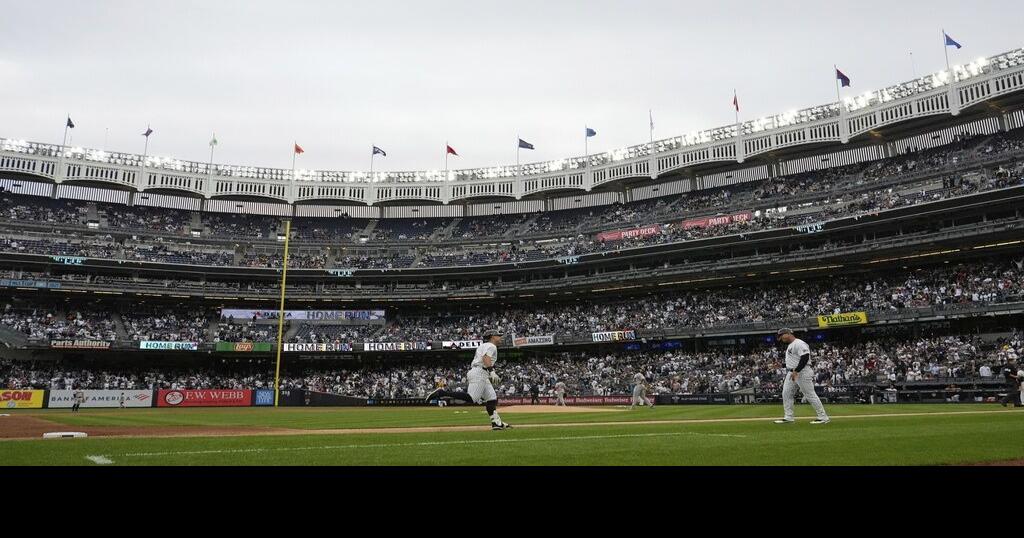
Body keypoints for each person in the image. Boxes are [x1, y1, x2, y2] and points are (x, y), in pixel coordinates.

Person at [425, 330, 511, 430]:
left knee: (492, 398)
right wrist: (492, 371)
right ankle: (441, 393)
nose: (500, 338)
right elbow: (486, 358)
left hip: (480, 372)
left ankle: (496, 423)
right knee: (472, 398)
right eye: (498, 336)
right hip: (480, 372)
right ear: (492, 337)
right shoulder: (491, 346)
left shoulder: (483, 345)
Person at [774, 328, 830, 425]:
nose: (781, 338)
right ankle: (789, 417)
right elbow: (794, 361)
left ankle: (823, 417)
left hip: (802, 371)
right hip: (792, 372)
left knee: (809, 394)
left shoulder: (799, 343)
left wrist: (796, 371)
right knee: (786, 394)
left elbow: (805, 357)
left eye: (781, 335)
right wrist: (782, 366)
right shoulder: (791, 345)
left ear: (788, 333)